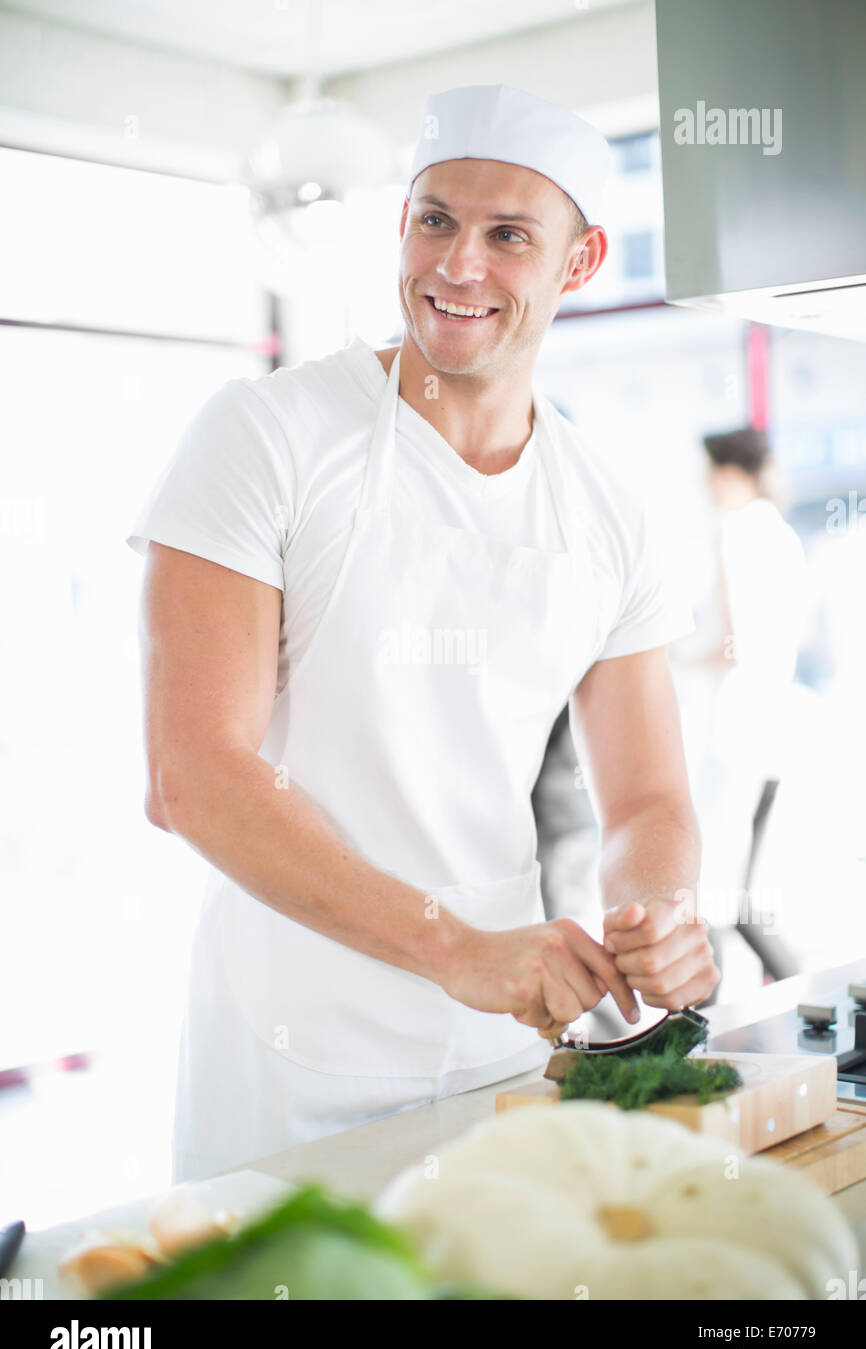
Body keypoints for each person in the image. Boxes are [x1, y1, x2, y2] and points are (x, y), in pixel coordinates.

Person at [127, 83, 717, 1182]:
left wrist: (657, 914)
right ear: (400, 225)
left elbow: (646, 800)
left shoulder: (605, 505)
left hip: (499, 1041)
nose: (458, 266)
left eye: (507, 236)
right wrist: (455, 950)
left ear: (578, 263)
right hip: (287, 1055)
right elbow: (191, 775)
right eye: (435, 220)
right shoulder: (265, 436)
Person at [670, 427, 808, 989]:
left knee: (712, 893)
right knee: (738, 892)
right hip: (773, 729)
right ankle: (792, 999)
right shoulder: (781, 533)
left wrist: (671, 658)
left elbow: (732, 646)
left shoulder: (734, 532)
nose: (704, 485)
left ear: (729, 473)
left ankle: (708, 1026)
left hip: (733, 735)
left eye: (709, 472)